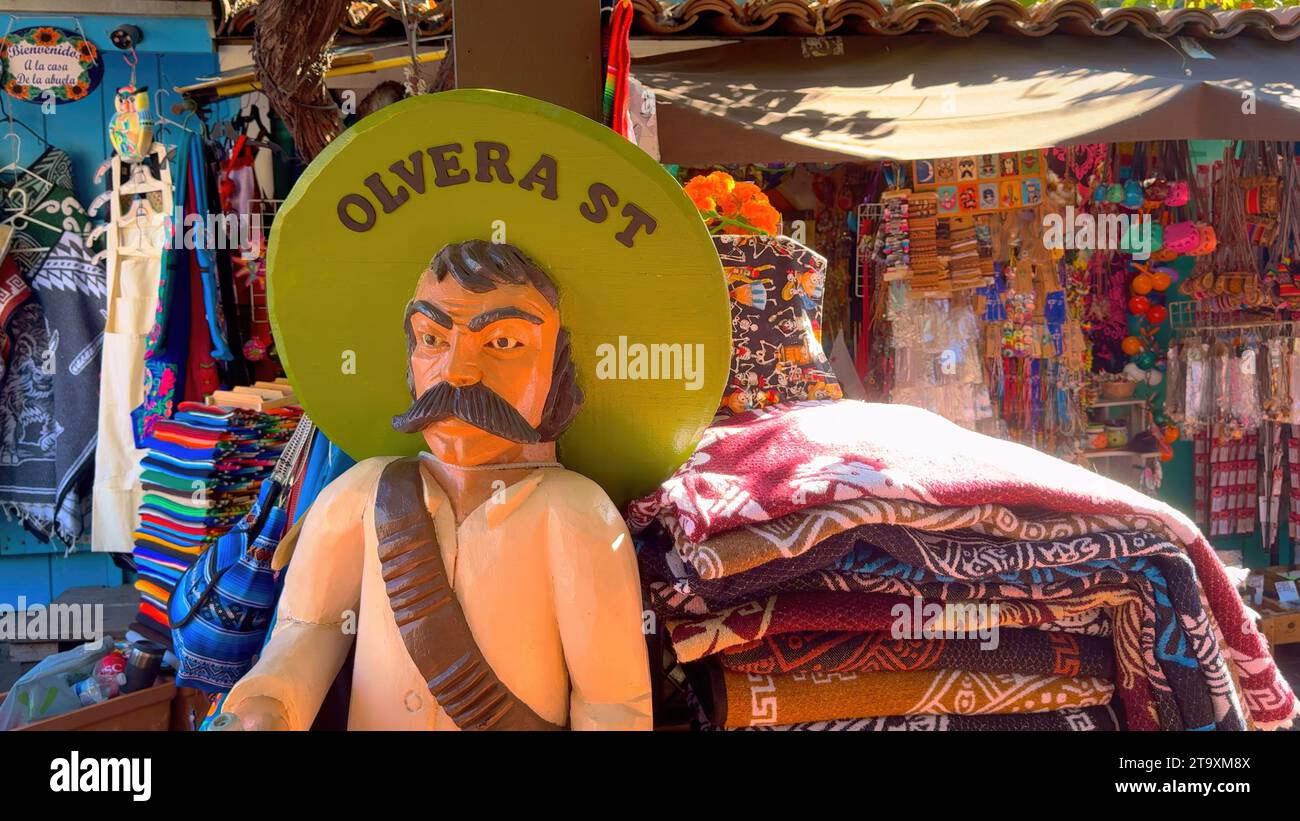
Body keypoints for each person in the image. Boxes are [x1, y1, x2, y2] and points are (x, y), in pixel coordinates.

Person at [219, 240, 652, 730]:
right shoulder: (363, 492)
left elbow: (612, 702)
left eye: (504, 343)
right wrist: (269, 704)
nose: (457, 371)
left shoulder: (576, 513)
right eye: (431, 339)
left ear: (557, 369)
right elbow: (311, 626)